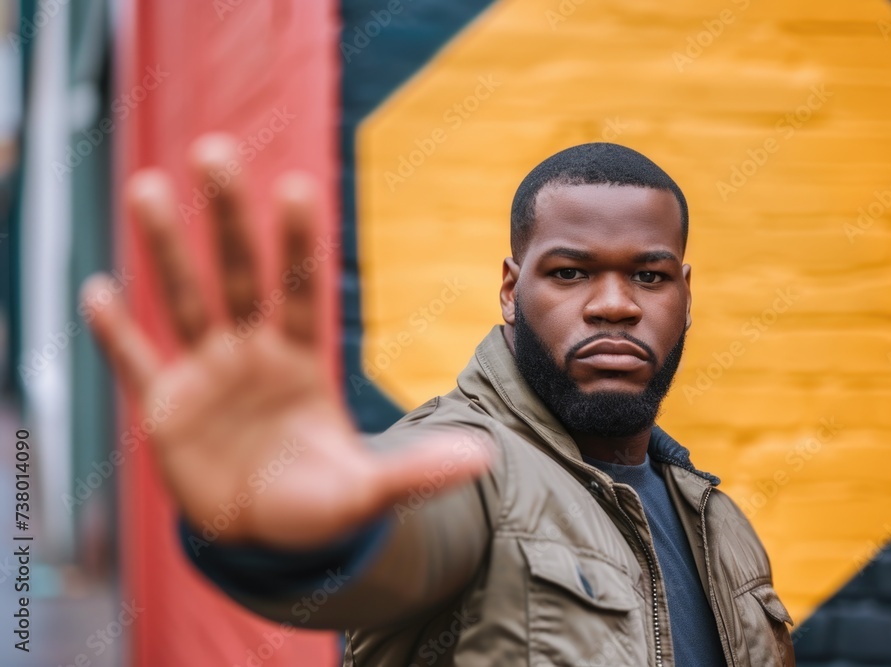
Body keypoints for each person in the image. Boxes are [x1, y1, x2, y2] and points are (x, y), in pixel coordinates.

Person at [83, 135, 795, 666]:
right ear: (512, 292)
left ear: (686, 295)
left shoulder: (720, 524)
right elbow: (406, 543)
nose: (614, 305)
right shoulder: (466, 467)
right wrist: (285, 533)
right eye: (571, 271)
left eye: (648, 275)